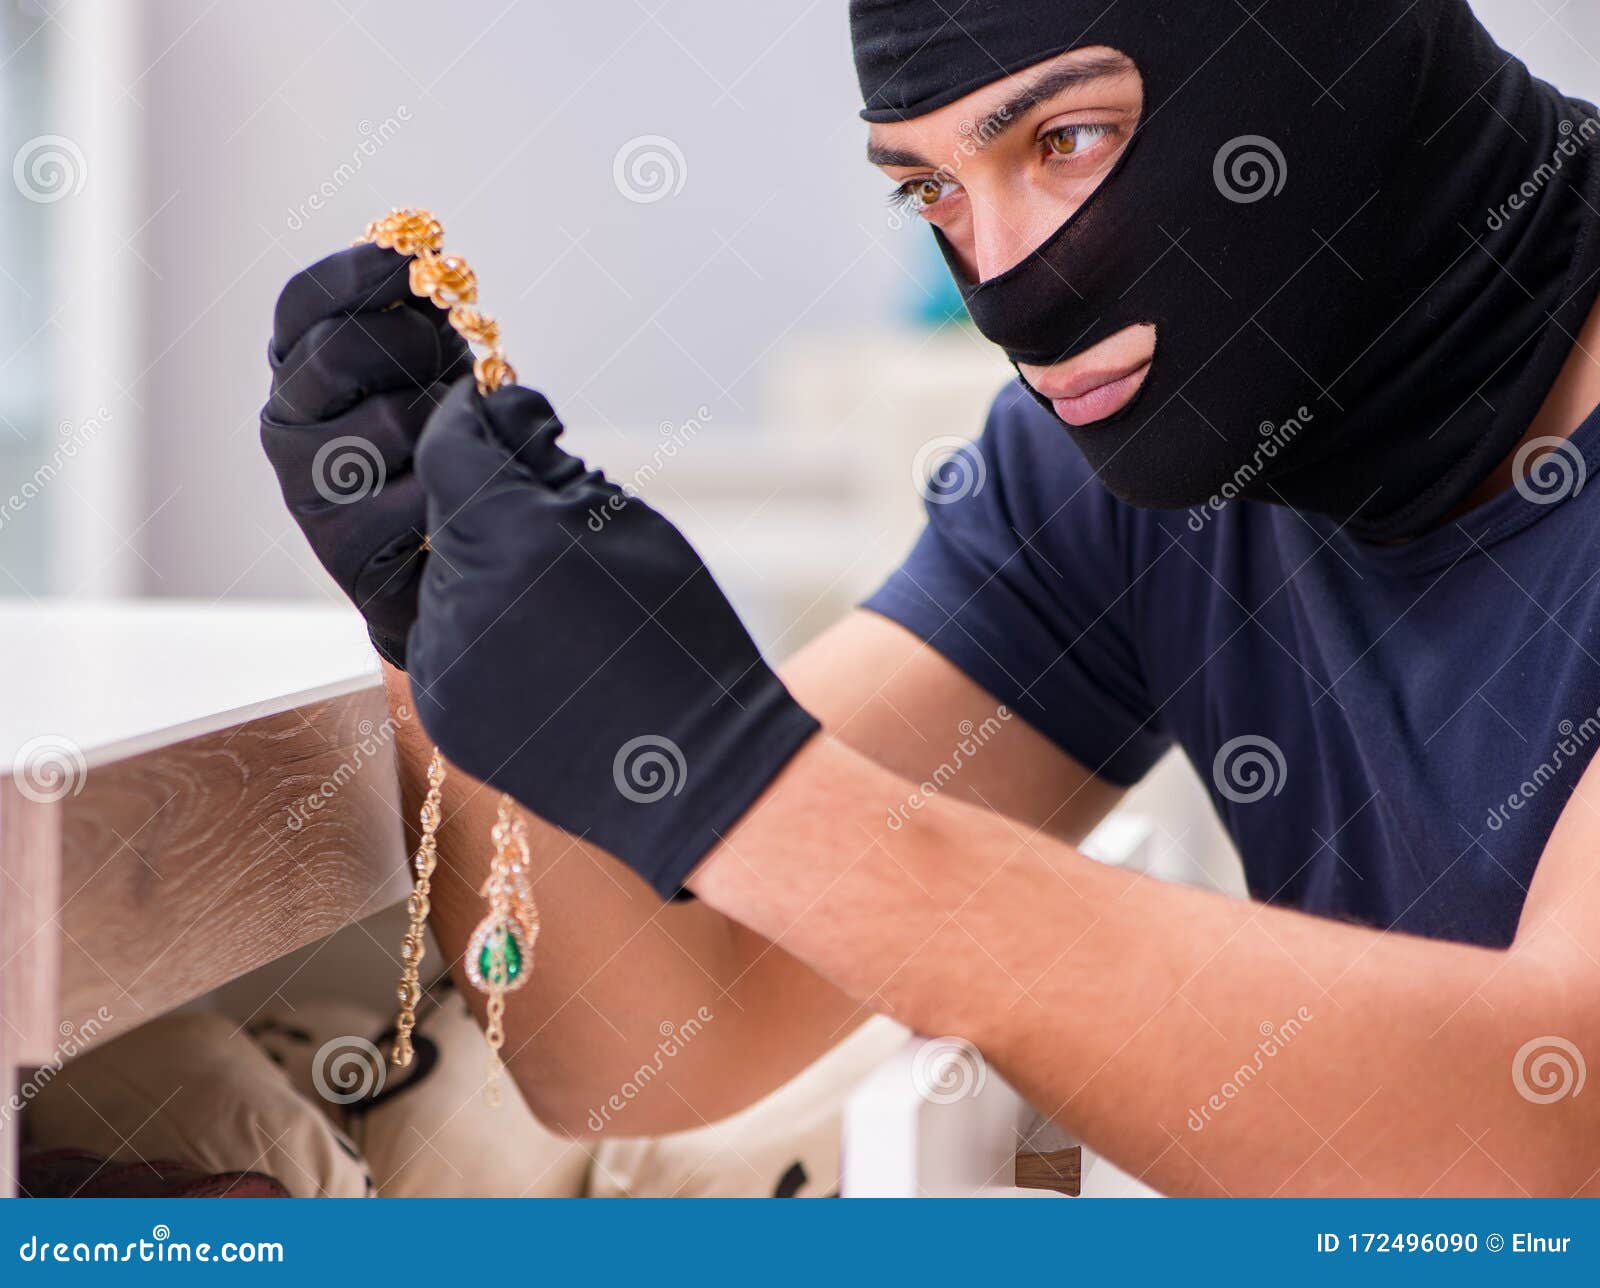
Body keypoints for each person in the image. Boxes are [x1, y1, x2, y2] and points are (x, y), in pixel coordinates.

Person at [261, 0, 1600, 1196]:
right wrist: (437, 628)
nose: (1006, 292)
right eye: (931, 192)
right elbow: (659, 1037)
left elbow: (1549, 1130)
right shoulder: (1138, 453)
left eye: (1066, 141)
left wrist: (742, 785)